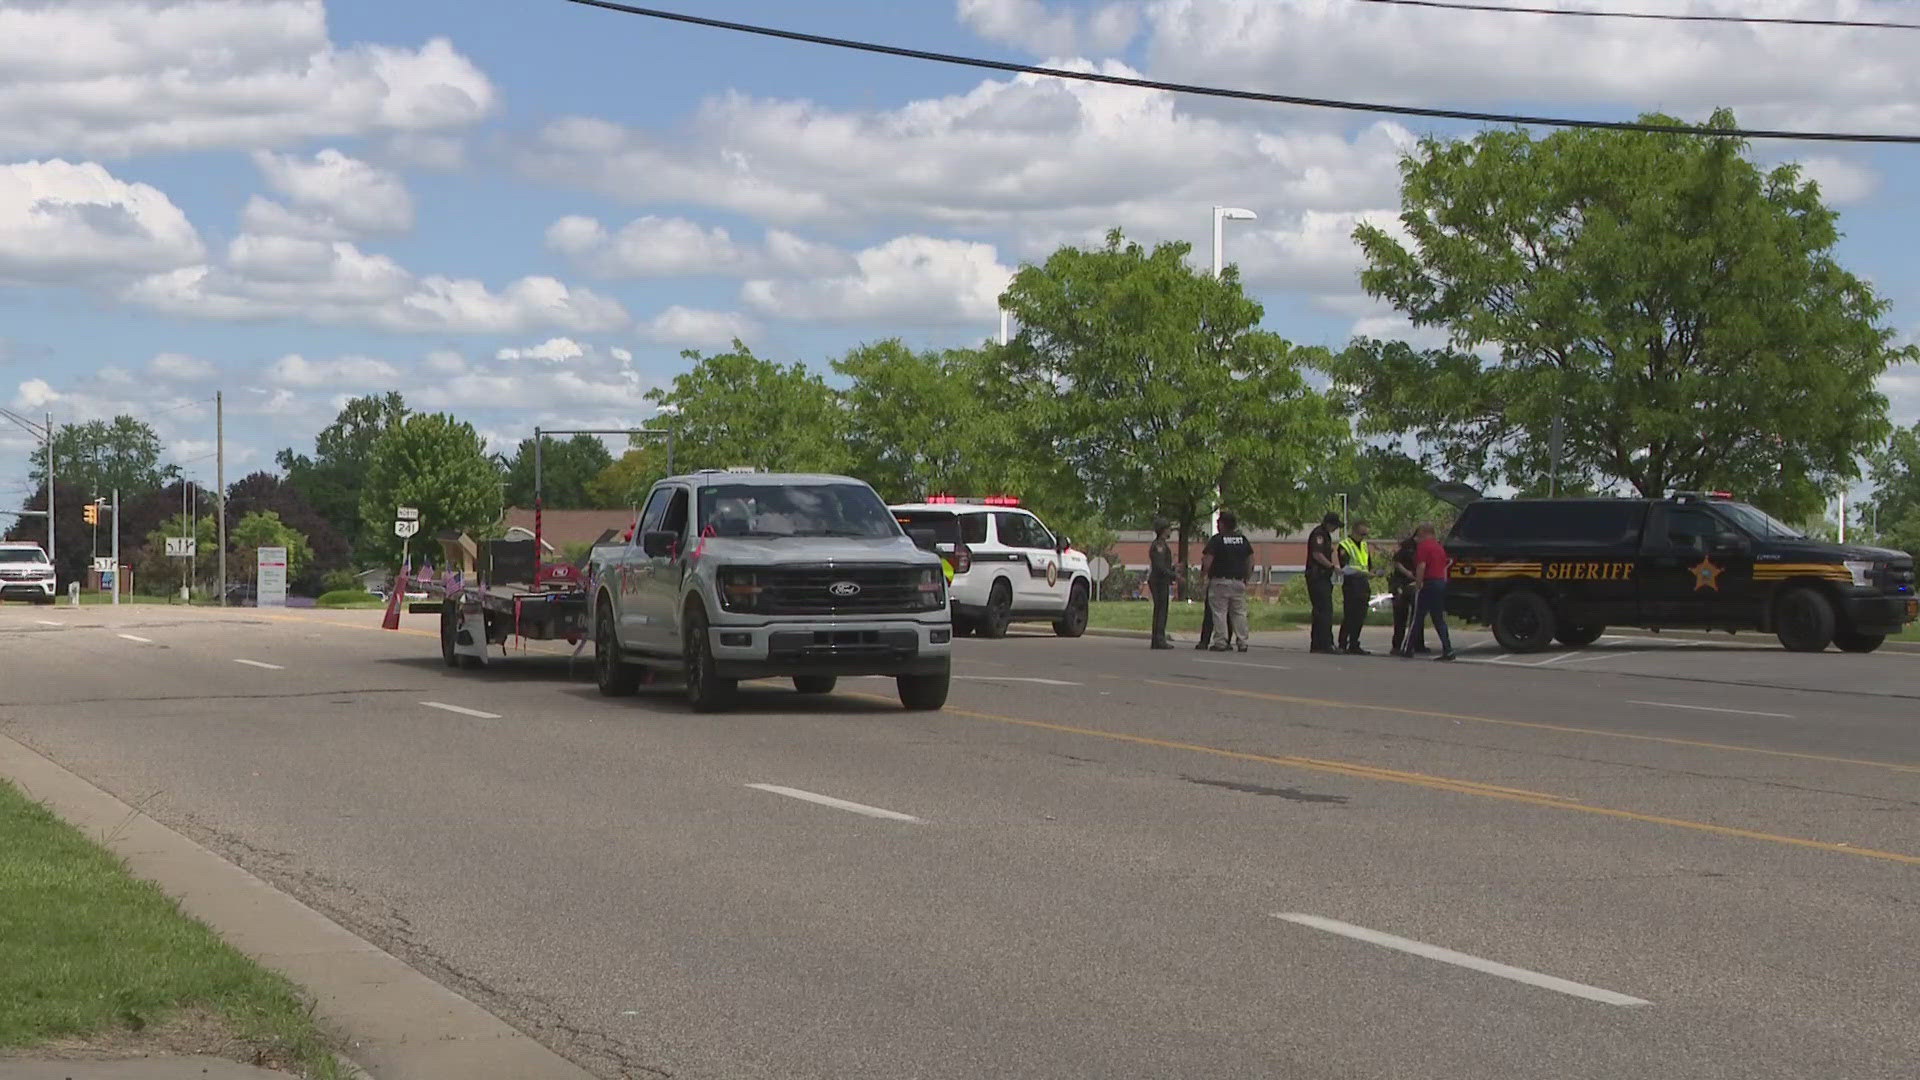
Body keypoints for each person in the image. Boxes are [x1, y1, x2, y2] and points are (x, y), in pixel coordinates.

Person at [1201, 510, 1254, 652]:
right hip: (1238, 581)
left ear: (1223, 524)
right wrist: (1246, 578)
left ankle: (1221, 641)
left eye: (1219, 522)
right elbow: (1250, 561)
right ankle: (1243, 642)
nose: (1217, 525)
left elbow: (1208, 560)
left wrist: (1204, 576)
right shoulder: (1242, 540)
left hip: (1220, 581)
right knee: (1239, 613)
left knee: (1219, 612)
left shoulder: (1217, 540)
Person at [1409, 521, 1457, 661]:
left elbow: (1421, 566)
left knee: (1417, 617)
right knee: (1438, 618)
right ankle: (1448, 649)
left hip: (1429, 583)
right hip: (1440, 582)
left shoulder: (1423, 547)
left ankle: (1408, 648)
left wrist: (1418, 584)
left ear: (1424, 533)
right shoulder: (1439, 547)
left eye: (1419, 534)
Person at [1336, 519, 1376, 655]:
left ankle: (1354, 643)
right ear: (1356, 528)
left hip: (1364, 584)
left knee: (1360, 615)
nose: (1367, 529)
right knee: (1350, 614)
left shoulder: (1364, 545)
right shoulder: (1344, 545)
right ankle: (1342, 643)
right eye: (1364, 526)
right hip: (1351, 584)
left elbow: (1368, 565)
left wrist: (1374, 572)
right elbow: (1345, 567)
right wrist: (1364, 573)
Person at [1304, 512, 1341, 654]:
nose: (1336, 529)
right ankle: (1325, 643)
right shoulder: (1319, 534)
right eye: (1335, 526)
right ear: (1329, 524)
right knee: (1325, 610)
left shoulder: (1325, 535)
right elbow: (1317, 554)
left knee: (1321, 611)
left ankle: (1318, 643)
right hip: (1317, 577)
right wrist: (1332, 567)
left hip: (1323, 577)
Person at [1389, 530, 1428, 656]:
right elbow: (1396, 562)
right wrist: (1408, 573)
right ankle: (1397, 646)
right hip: (1401, 584)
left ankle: (1418, 644)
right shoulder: (1407, 547)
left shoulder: (1421, 548)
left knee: (1417, 616)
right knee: (1401, 617)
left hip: (1413, 584)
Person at [1147, 517, 1176, 650]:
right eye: (1168, 528)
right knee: (1161, 610)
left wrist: (1174, 569)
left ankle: (1157, 639)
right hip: (1159, 581)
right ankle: (1159, 639)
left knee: (1160, 609)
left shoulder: (1162, 545)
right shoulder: (1159, 545)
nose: (1170, 531)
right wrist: (1174, 575)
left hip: (1161, 580)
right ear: (1163, 530)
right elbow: (1159, 567)